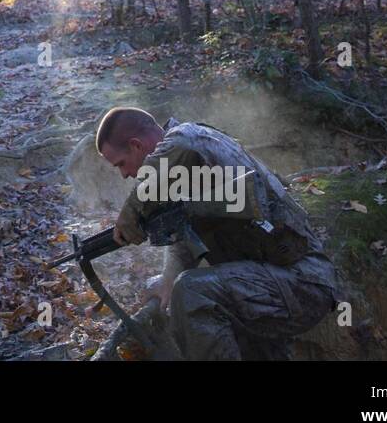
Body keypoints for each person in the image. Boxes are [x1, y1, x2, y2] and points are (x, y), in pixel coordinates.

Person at [96, 106, 338, 359]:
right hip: (269, 287)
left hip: (302, 281)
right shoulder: (182, 174)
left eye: (121, 164)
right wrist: (167, 280)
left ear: (136, 145)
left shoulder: (188, 136)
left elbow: (181, 149)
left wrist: (133, 208)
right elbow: (183, 230)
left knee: (192, 292)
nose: (124, 174)